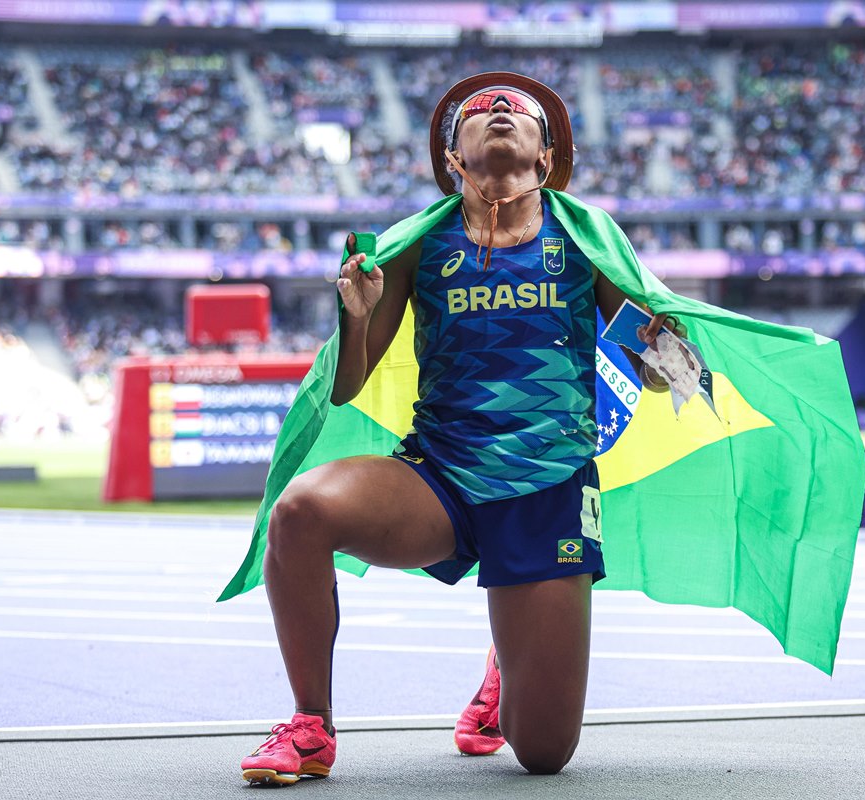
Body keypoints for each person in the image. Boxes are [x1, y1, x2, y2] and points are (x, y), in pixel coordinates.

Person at [239, 72, 676, 785]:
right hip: (440, 476)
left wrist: (665, 344)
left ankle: (507, 662)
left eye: (519, 111)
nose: (499, 109)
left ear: (545, 157)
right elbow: (348, 385)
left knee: (541, 755)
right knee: (300, 511)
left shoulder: (587, 238)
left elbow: (659, 373)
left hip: (547, 491)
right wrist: (355, 313)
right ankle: (310, 726)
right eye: (480, 110)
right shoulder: (420, 244)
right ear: (453, 161)